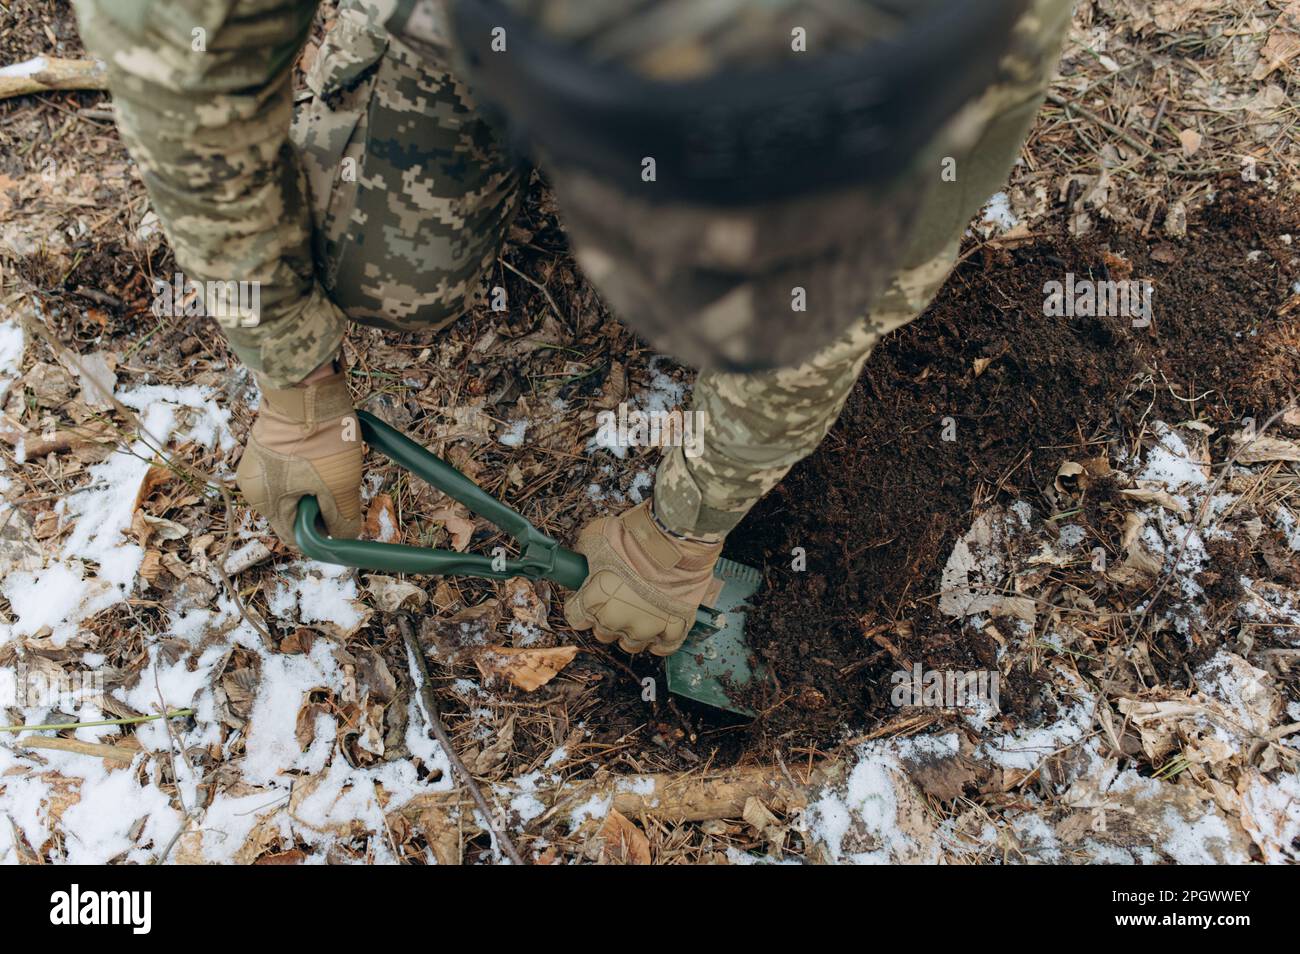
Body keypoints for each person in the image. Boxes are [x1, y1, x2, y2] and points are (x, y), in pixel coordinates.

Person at [73, 0, 1073, 657]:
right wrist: (289, 371)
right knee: (391, 280)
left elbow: (867, 290)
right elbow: (190, 112)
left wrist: (687, 530)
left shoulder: (980, 30)